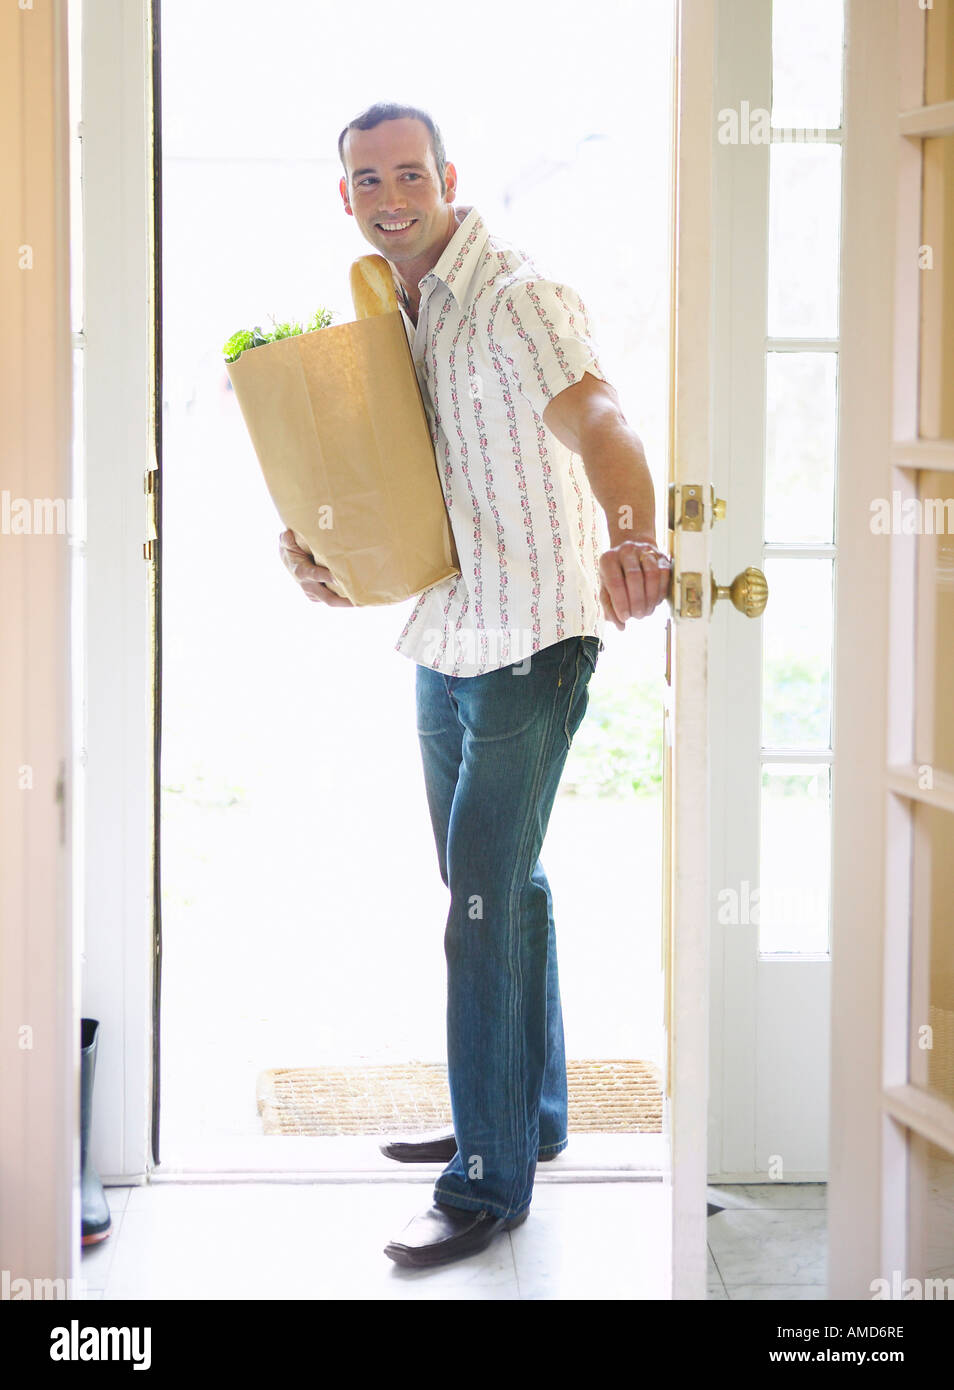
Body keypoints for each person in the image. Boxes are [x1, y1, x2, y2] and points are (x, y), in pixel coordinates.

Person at [279, 102, 670, 1268]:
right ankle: (525, 1113)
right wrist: (328, 556)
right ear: (343, 194)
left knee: (481, 902)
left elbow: (598, 412)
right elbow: (405, 472)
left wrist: (635, 531)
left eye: (409, 173)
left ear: (448, 176)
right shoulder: (395, 306)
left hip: (534, 639)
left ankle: (486, 1182)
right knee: (494, 881)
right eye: (367, 179)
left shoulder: (511, 292)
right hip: (448, 634)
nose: (391, 195)